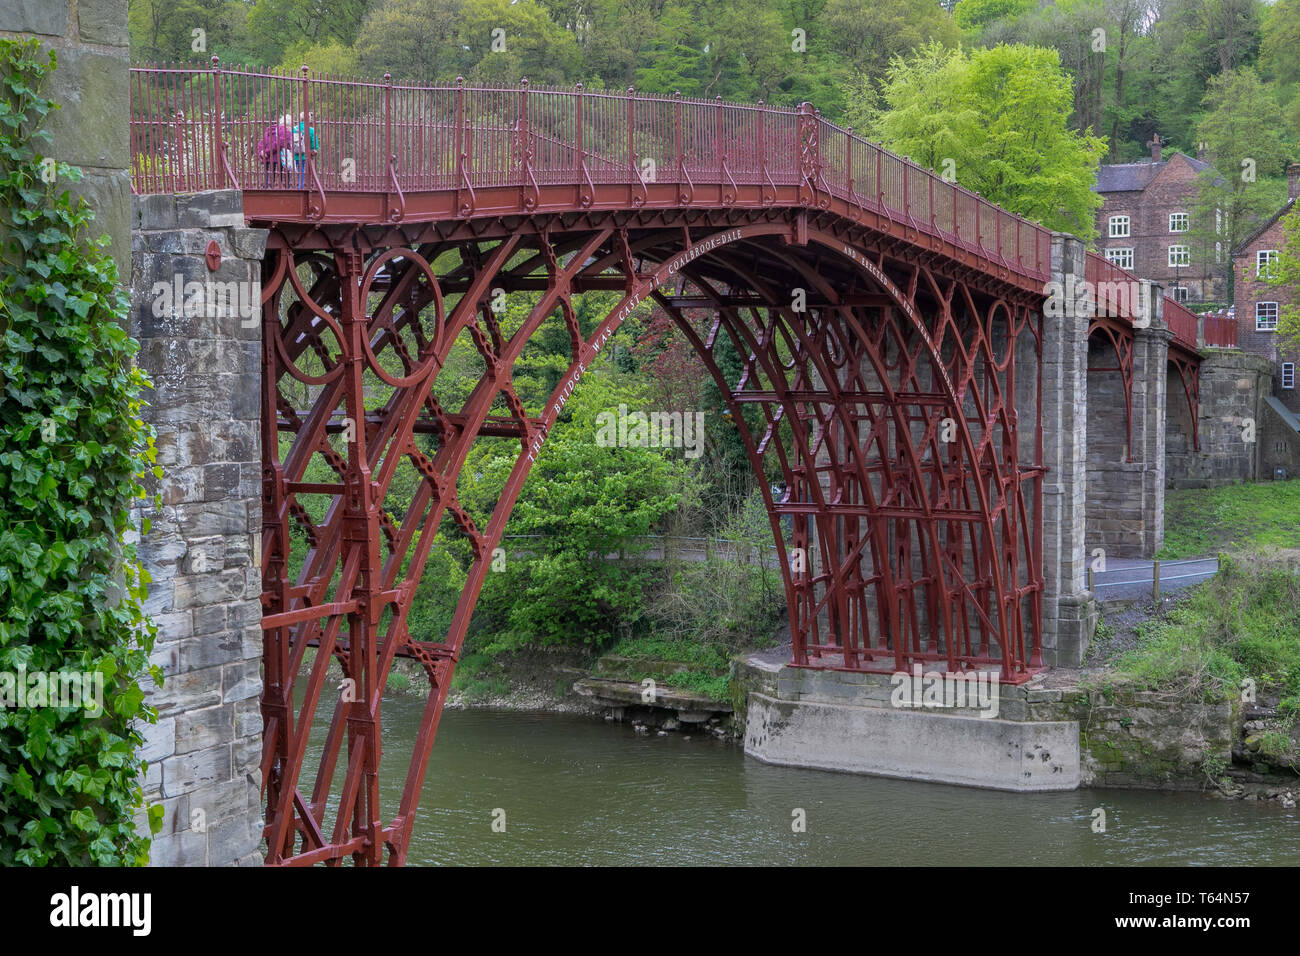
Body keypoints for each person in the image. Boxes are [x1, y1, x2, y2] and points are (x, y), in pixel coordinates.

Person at [255, 116, 292, 187]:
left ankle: (267, 188)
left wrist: (262, 152)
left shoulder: (269, 130)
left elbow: (262, 142)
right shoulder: (286, 131)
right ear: (288, 124)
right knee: (283, 173)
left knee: (269, 174)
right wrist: (268, 152)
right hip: (279, 157)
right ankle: (285, 188)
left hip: (267, 157)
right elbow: (279, 144)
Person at [292, 112, 319, 189]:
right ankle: (300, 187)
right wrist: (313, 151)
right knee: (302, 171)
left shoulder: (294, 129)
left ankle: (293, 186)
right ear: (309, 119)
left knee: (296, 171)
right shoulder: (311, 130)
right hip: (305, 155)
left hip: (295, 154)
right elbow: (315, 145)